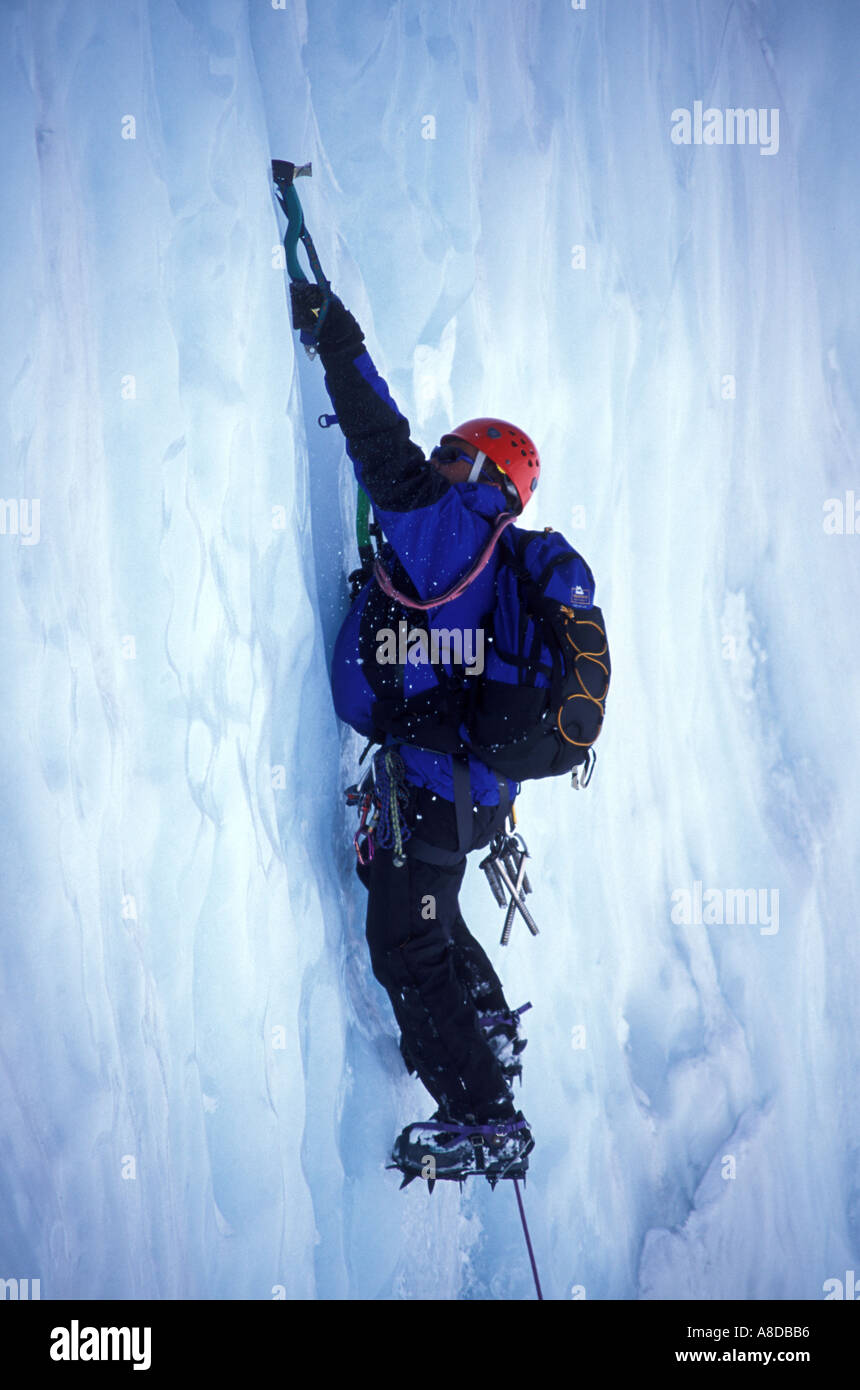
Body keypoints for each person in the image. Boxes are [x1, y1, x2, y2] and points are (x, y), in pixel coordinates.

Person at [291, 284, 544, 1182]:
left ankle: (485, 1113)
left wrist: (338, 340)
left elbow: (383, 451)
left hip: (437, 795)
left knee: (406, 945)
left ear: (482, 477)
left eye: (453, 454)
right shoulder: (490, 561)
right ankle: (491, 1028)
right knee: (425, 922)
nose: (437, 462)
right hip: (465, 799)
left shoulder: (453, 532)